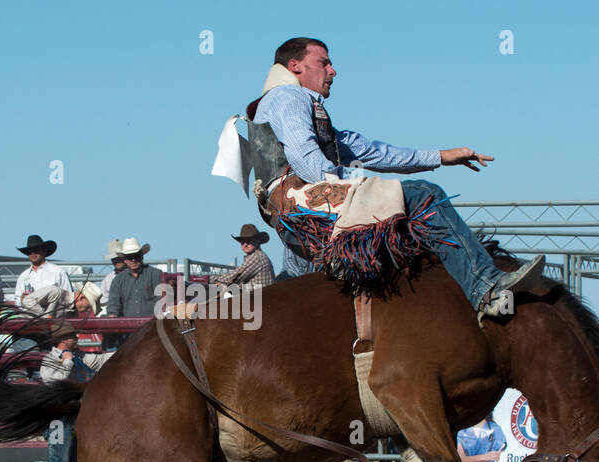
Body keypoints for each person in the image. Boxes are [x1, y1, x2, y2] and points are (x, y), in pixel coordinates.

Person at [249, 37, 543, 317]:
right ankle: (486, 288)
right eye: (324, 63)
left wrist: (441, 156)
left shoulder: (302, 108)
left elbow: (374, 152)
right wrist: (357, 186)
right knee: (426, 197)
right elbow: (306, 159)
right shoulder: (289, 97)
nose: (333, 70)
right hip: (308, 209)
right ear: (295, 67)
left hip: (297, 221)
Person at [39, 323, 112, 462]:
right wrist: (68, 363)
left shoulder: (77, 356)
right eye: (72, 335)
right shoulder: (50, 360)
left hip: (69, 417)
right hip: (57, 418)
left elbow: (100, 359)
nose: (77, 337)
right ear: (63, 339)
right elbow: (55, 385)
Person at [105, 237, 165, 348]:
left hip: (153, 331)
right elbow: (113, 307)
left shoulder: (156, 275)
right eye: (130, 257)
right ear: (125, 260)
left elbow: (161, 303)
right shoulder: (118, 281)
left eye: (136, 256)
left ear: (142, 256)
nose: (133, 260)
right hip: (129, 335)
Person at [14, 234, 73, 315]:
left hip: (55, 317)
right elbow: (18, 303)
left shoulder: (58, 272)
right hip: (31, 319)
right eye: (29, 252)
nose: (33, 253)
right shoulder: (23, 277)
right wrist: (21, 300)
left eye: (36, 250)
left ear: (44, 251)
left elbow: (68, 298)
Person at [210, 224, 275, 290]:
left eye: (249, 240)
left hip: (260, 298)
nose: (245, 244)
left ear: (257, 240)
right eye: (242, 241)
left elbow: (235, 277)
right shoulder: (259, 256)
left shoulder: (257, 257)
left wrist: (208, 279)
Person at [98, 239, 124, 313]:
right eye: (113, 258)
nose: (116, 261)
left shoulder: (107, 280)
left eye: (118, 258)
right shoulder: (107, 280)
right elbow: (103, 303)